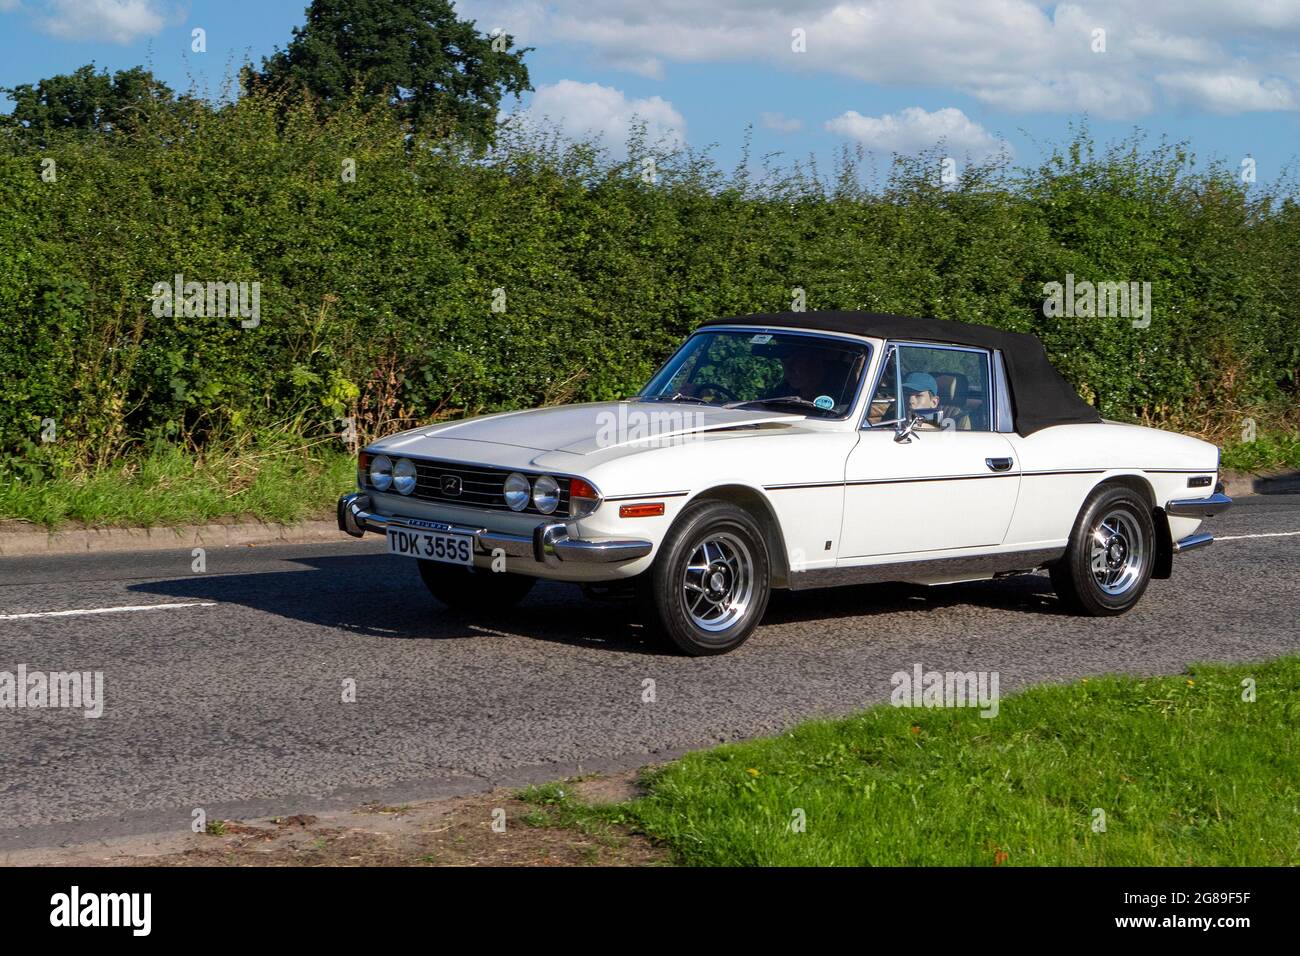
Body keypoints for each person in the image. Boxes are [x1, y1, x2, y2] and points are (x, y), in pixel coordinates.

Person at [902, 372, 970, 430]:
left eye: (918, 396)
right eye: (906, 395)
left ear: (934, 402)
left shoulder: (956, 420)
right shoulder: (893, 420)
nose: (910, 401)